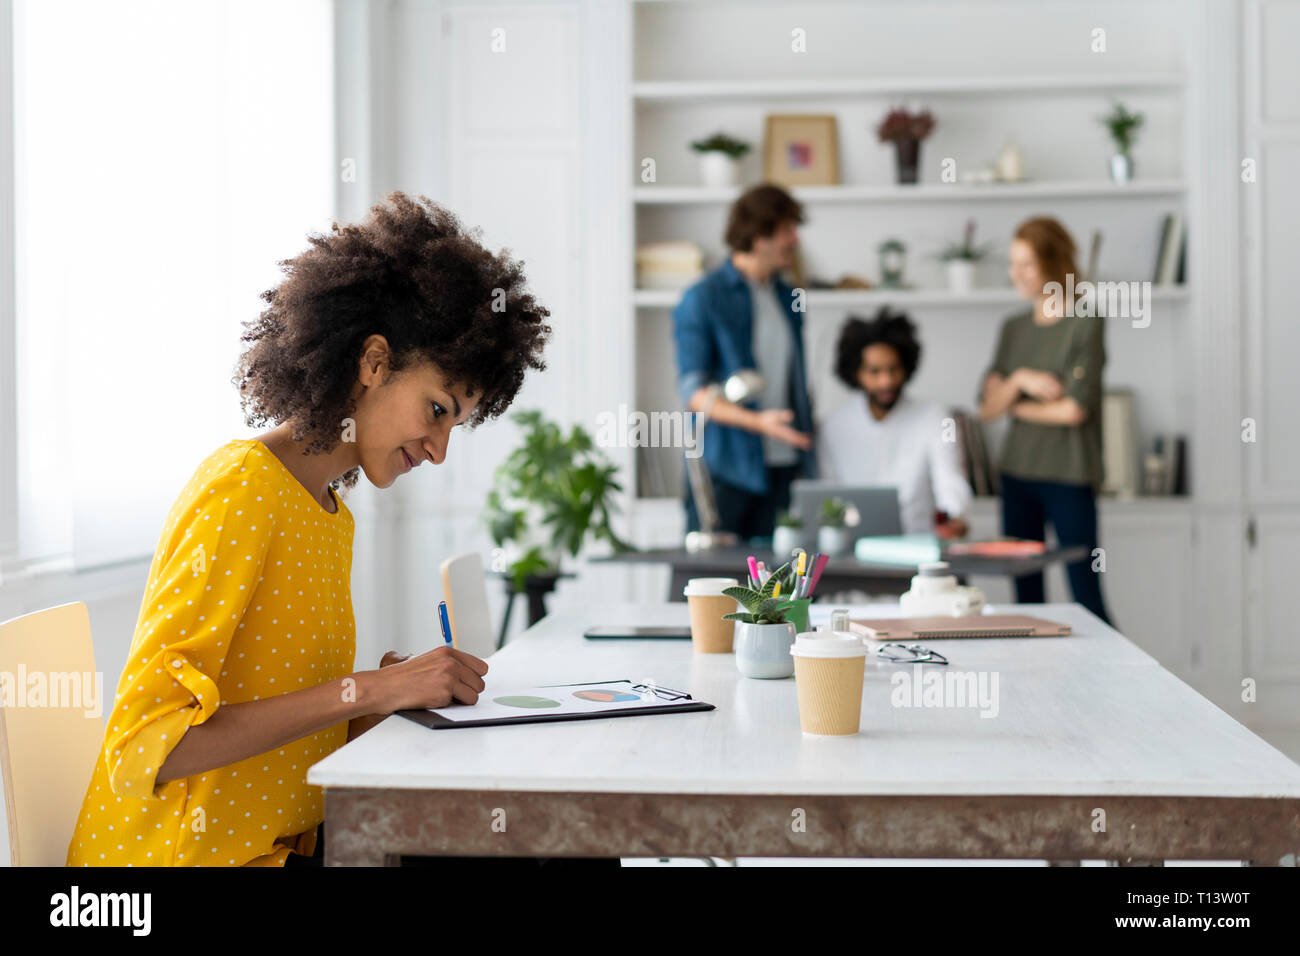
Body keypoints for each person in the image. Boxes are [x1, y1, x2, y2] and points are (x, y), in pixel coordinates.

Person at [67, 192, 553, 866]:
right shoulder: (242, 491)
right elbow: (149, 745)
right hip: (184, 859)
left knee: (543, 844)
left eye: (456, 426)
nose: (439, 450)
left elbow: (287, 727)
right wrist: (374, 689)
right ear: (373, 362)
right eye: (436, 409)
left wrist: (381, 698)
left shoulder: (328, 513)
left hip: (289, 848)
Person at [978, 216, 1112, 625]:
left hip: (1070, 476)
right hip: (1017, 475)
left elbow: (1073, 410)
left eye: (1027, 264)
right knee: (1026, 599)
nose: (1014, 274)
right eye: (1013, 263)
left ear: (1054, 264)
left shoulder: (1085, 322)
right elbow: (986, 409)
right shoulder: (1013, 327)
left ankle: (1112, 682)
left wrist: (1013, 401)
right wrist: (1023, 379)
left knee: (1085, 593)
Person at [671, 183, 815, 540]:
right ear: (759, 236)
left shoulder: (787, 297)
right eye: (787, 230)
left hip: (783, 466)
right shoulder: (703, 298)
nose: (795, 240)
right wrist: (757, 423)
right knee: (713, 583)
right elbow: (694, 393)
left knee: (775, 590)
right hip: (726, 469)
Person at [819, 308, 972, 538]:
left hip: (918, 542)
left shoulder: (935, 418)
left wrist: (953, 515)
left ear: (906, 367)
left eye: (893, 369)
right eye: (875, 371)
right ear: (855, 374)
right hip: (853, 546)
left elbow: (949, 479)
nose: (886, 381)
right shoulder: (833, 426)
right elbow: (828, 493)